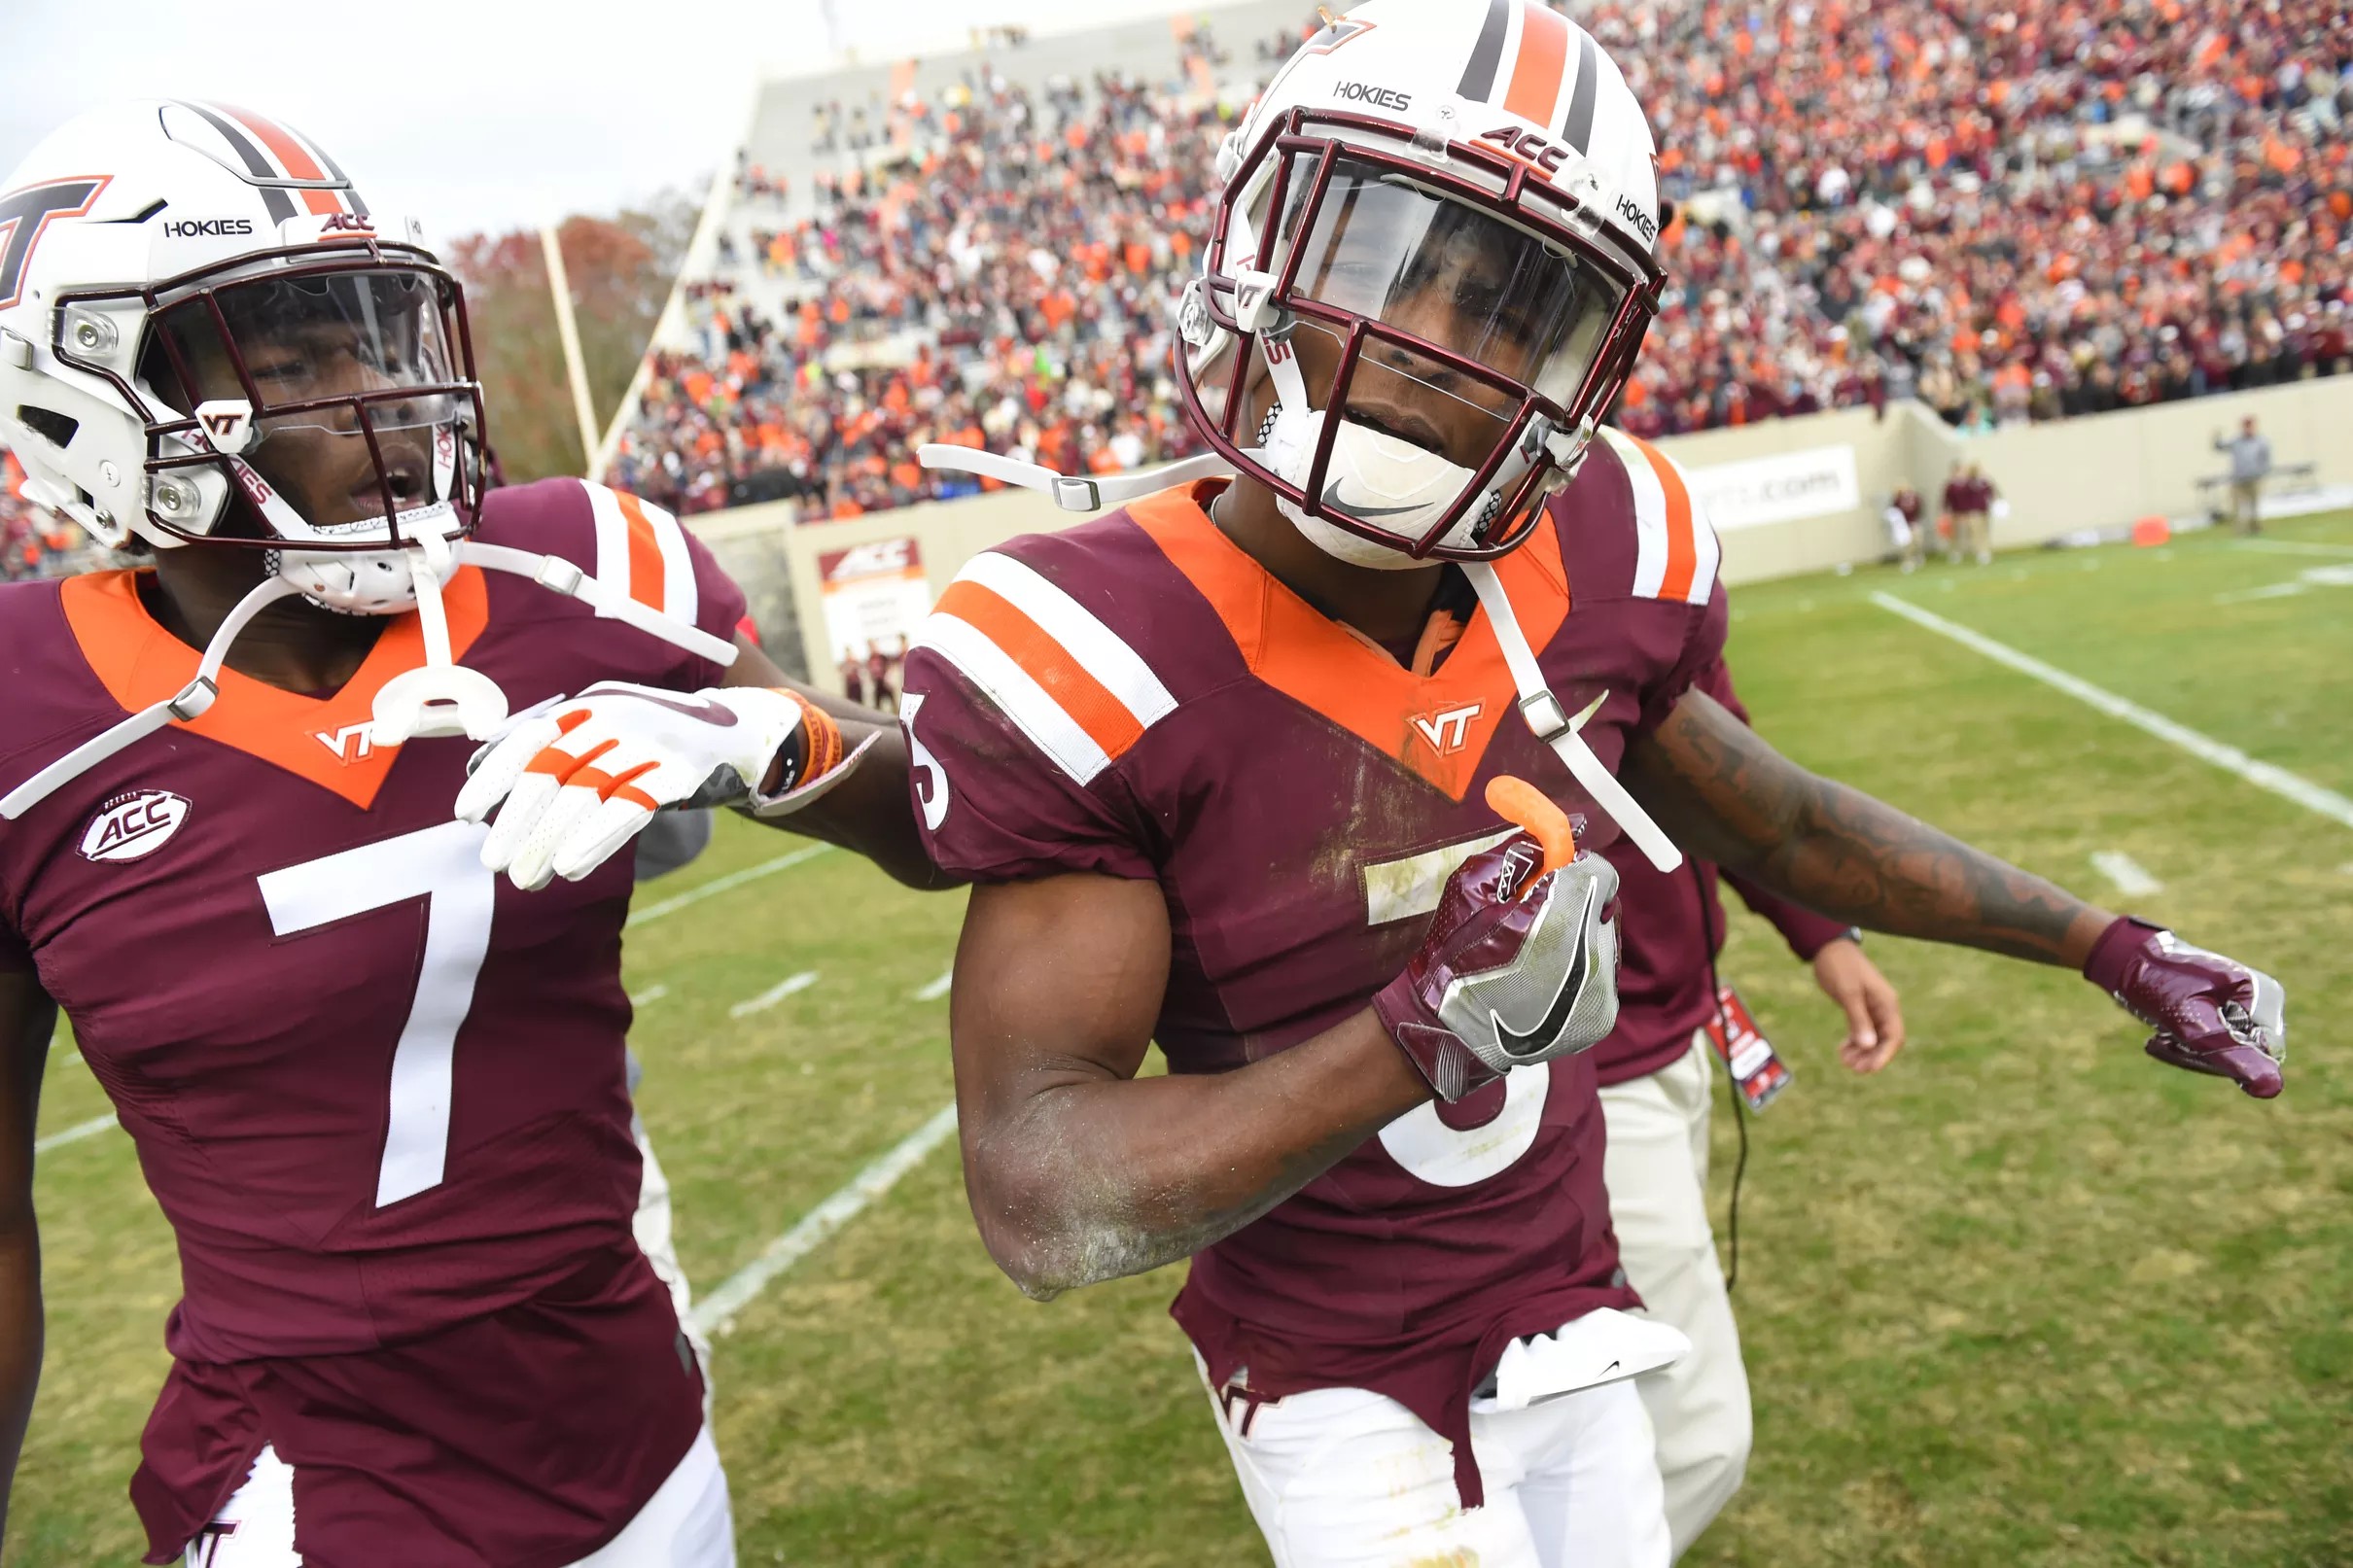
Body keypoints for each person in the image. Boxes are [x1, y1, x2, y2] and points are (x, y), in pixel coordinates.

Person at [471, 7, 2285, 1560]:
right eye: (1392, 268)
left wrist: (2106, 942)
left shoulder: (1615, 533)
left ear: (1592, 364)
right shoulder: (1091, 633)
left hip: (1567, 1301)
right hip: (1333, 1373)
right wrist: (1414, 1034)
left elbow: (1785, 819)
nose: (1437, 354)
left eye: (1516, 311)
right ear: (1261, 239)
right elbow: (1042, 1187)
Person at [0, 102, 921, 1564]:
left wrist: (758, 741)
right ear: (94, 400)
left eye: (373, 336)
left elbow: (938, 822)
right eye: (289, 357)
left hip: (638, 1437)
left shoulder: (577, 563)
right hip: (309, 1490)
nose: (375, 396)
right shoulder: (22, 708)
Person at [1594, 659, 1903, 1559]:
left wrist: (1819, 928)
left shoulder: (1652, 552)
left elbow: (1728, 779)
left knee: (1618, 1394)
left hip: (1676, 1030)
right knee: (1698, 1439)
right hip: (1585, 1072)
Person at [2214, 416, 2271, 535]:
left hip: (2254, 478)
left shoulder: (2261, 441)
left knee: (2253, 506)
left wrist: (2263, 471)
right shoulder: (2237, 441)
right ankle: (2239, 530)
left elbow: (2265, 458)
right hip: (2239, 479)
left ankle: (2254, 527)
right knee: (2236, 506)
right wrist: (2216, 438)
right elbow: (2220, 447)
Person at [1885, 483, 1925, 573]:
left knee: (1917, 541)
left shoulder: (1914, 497)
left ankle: (1918, 556)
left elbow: (1919, 507)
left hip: (1914, 522)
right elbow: (1893, 512)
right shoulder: (1897, 500)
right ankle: (1907, 560)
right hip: (1903, 525)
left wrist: (1917, 519)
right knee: (1907, 544)